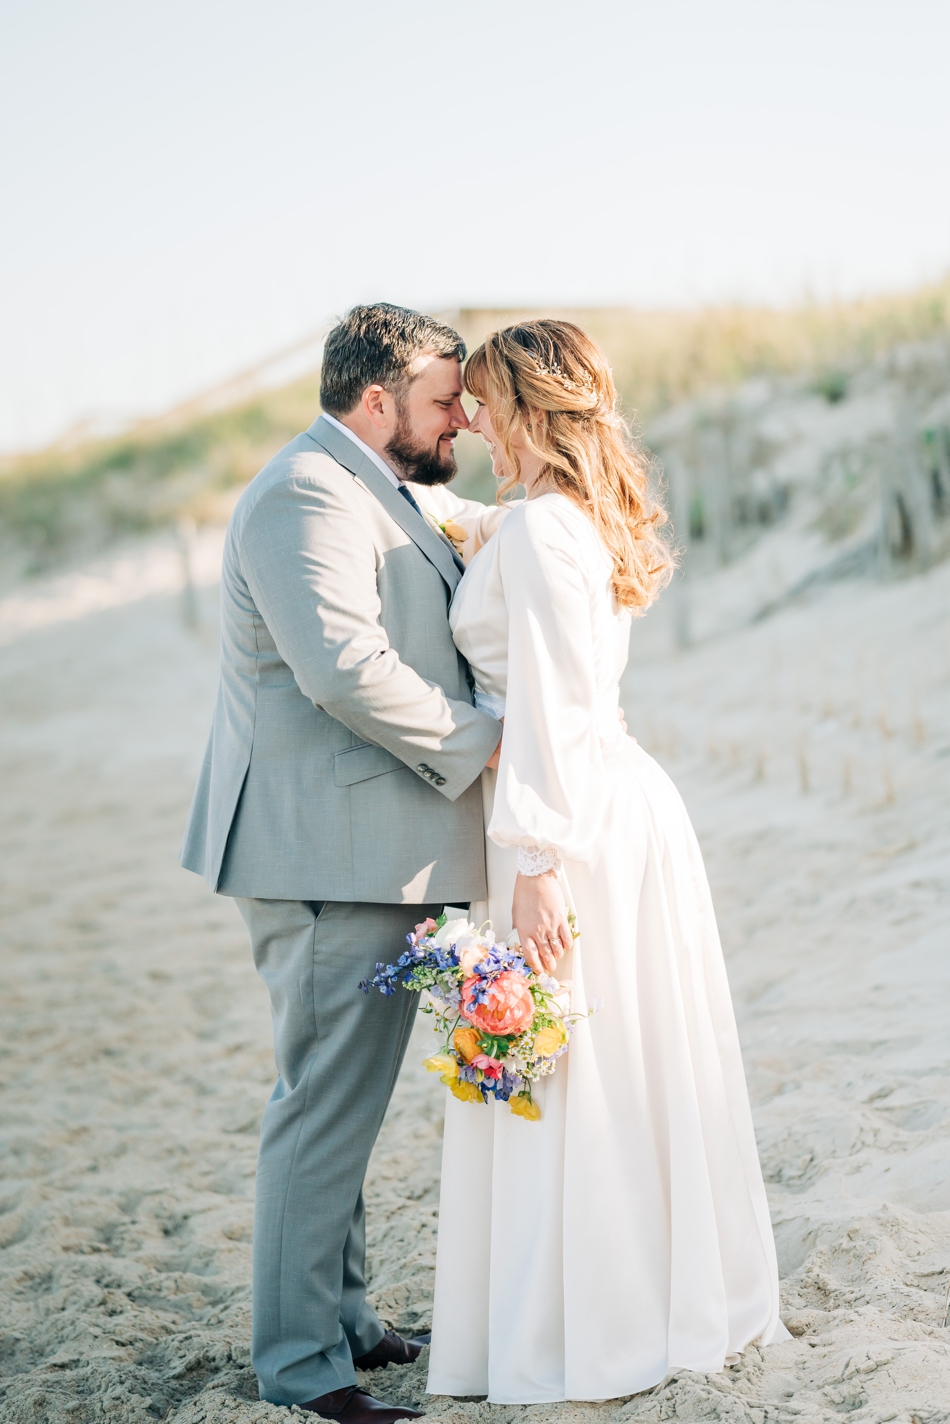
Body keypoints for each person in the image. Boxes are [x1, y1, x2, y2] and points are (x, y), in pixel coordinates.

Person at [427, 319, 789, 1404]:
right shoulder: (559, 518)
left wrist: (533, 854)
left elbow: (550, 701)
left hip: (566, 819)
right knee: (623, 1065)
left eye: (485, 401)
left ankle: (593, 1323)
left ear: (531, 409)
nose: (472, 420)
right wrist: (450, 518)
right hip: (613, 804)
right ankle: (647, 1295)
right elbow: (506, 556)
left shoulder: (540, 532)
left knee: (571, 1067)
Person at [180, 304, 504, 1422]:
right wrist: (488, 747)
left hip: (375, 848)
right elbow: (344, 671)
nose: (459, 415)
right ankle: (300, 1367)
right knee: (320, 1106)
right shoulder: (302, 493)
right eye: (442, 399)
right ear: (379, 400)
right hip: (325, 854)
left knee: (346, 1103)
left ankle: (347, 1321)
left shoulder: (385, 485)